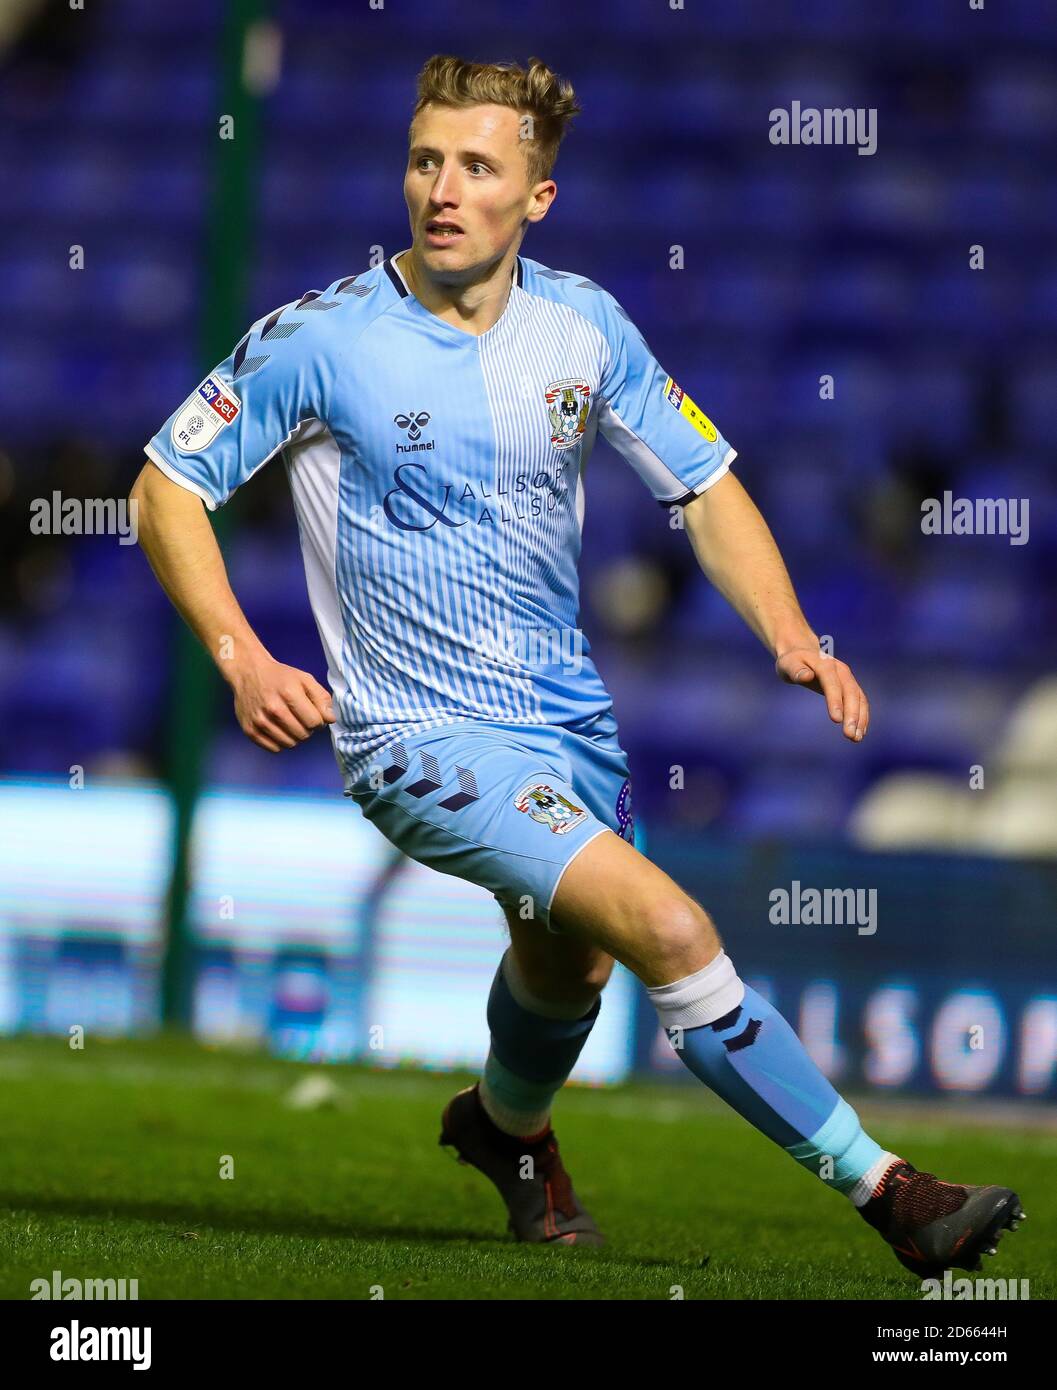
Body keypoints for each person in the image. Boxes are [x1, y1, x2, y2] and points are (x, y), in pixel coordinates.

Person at [131, 54, 1022, 1275]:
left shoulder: (584, 325)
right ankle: (894, 1193)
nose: (442, 189)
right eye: (424, 160)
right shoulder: (323, 338)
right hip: (414, 739)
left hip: (563, 725)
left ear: (535, 197)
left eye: (478, 166)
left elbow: (705, 487)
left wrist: (790, 631)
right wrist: (240, 654)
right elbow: (166, 485)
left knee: (569, 959)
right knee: (664, 924)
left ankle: (503, 1129)